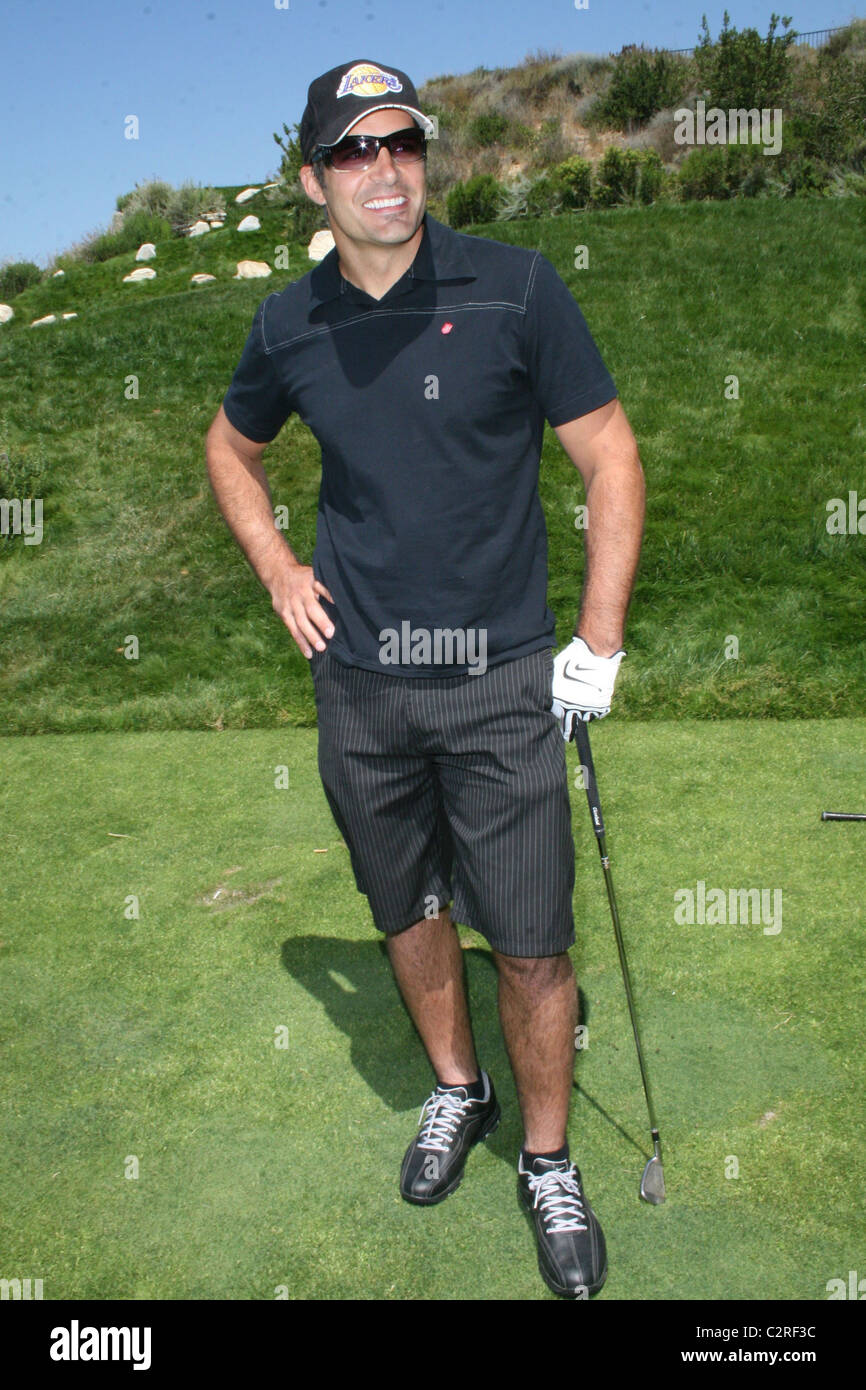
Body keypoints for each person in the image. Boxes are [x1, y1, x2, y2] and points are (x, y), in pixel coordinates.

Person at [206, 58, 645, 1300]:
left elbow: (608, 456)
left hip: (504, 676)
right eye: (352, 151)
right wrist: (278, 564)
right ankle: (460, 1088)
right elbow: (228, 448)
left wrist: (596, 642)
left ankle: (546, 1159)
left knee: (532, 937)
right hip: (360, 683)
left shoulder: (514, 289)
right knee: (404, 906)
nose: (382, 169)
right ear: (312, 179)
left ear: (423, 159)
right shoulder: (289, 322)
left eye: (400, 143)